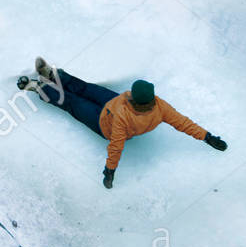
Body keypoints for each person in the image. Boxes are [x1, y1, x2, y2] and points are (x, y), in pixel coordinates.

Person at [18, 58, 227, 188]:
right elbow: (184, 123)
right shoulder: (160, 105)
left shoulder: (124, 119)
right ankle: (53, 76)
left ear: (135, 99)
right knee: (85, 88)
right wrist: (208, 137)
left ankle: (38, 88)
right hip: (112, 102)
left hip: (103, 122)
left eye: (131, 94)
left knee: (73, 102)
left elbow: (116, 145)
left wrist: (109, 172)